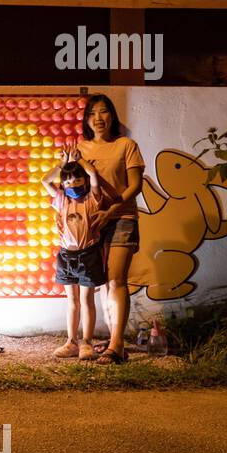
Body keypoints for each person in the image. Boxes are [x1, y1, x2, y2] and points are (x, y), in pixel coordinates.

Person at [76, 94, 145, 364]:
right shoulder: (80, 149)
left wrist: (113, 210)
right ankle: (99, 340)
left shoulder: (126, 145)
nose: (98, 118)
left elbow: (135, 185)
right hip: (93, 223)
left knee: (116, 279)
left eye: (104, 112)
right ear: (86, 120)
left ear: (112, 116)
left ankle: (117, 345)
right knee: (99, 283)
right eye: (92, 113)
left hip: (122, 218)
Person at [42, 148, 109, 361]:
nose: (73, 184)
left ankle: (86, 342)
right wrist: (63, 165)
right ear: (63, 185)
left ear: (84, 181)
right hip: (66, 257)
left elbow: (94, 176)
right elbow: (45, 181)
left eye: (77, 179)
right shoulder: (62, 200)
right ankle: (71, 341)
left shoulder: (91, 199)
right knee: (71, 300)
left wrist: (80, 162)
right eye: (68, 182)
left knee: (86, 299)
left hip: (88, 254)